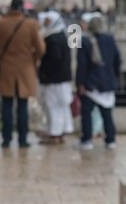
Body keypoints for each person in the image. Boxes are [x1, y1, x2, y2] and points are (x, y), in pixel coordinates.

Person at [0, 0, 45, 149]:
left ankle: (6, 139)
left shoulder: (2, 23)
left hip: (6, 69)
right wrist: (32, 59)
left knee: (6, 105)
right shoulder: (31, 24)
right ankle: (22, 139)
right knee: (23, 106)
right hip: (25, 69)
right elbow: (41, 49)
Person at [75, 15, 120, 150]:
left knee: (87, 113)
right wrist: (114, 77)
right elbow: (117, 60)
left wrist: (80, 84)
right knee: (107, 113)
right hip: (107, 82)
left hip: (91, 83)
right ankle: (110, 139)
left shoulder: (84, 41)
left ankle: (87, 140)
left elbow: (82, 65)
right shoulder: (109, 39)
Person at [36, 9, 74, 144]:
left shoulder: (52, 39)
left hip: (54, 80)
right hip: (62, 79)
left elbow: (53, 60)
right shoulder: (62, 36)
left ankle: (54, 133)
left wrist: (44, 74)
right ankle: (59, 132)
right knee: (61, 106)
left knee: (53, 106)